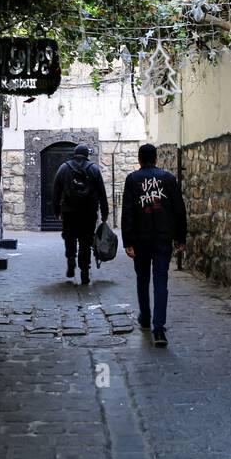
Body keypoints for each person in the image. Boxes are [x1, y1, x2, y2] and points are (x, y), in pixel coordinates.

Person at [120, 144, 187, 347]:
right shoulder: (168, 179)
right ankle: (159, 328)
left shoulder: (132, 180)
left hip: (140, 240)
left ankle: (145, 316)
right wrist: (180, 238)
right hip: (162, 239)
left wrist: (128, 241)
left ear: (139, 160)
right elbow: (179, 209)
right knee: (160, 282)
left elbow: (128, 212)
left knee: (142, 279)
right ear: (156, 159)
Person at [52, 143, 109, 285]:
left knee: (69, 237)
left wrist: (56, 210)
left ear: (74, 153)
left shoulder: (64, 168)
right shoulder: (94, 169)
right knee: (86, 241)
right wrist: (105, 212)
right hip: (88, 212)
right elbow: (102, 192)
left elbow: (56, 190)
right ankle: (85, 271)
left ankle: (71, 259)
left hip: (69, 212)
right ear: (86, 155)